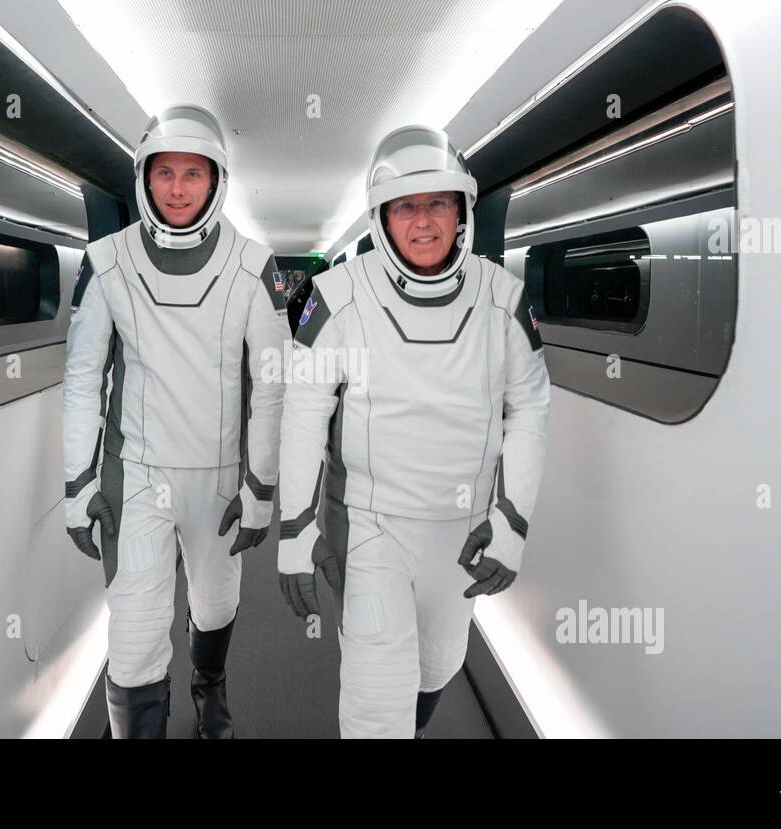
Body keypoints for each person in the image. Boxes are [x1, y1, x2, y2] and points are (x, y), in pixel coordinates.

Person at [276, 125, 550, 738]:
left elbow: (530, 409)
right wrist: (296, 528)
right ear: (381, 217)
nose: (423, 222)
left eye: (438, 203)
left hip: (464, 530)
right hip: (372, 526)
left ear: (461, 211)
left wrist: (513, 521)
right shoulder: (336, 296)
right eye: (406, 206)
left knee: (436, 668)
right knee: (377, 701)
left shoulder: (504, 300)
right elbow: (303, 414)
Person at [62, 104, 288, 738]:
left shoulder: (252, 264)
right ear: (145, 178)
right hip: (136, 477)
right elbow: (83, 380)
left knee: (215, 606)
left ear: (216, 181)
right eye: (166, 173)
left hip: (219, 481)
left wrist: (260, 488)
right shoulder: (106, 261)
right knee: (133, 641)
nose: (180, 188)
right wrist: (78, 486)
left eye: (194, 173)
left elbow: (269, 388)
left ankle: (209, 686)